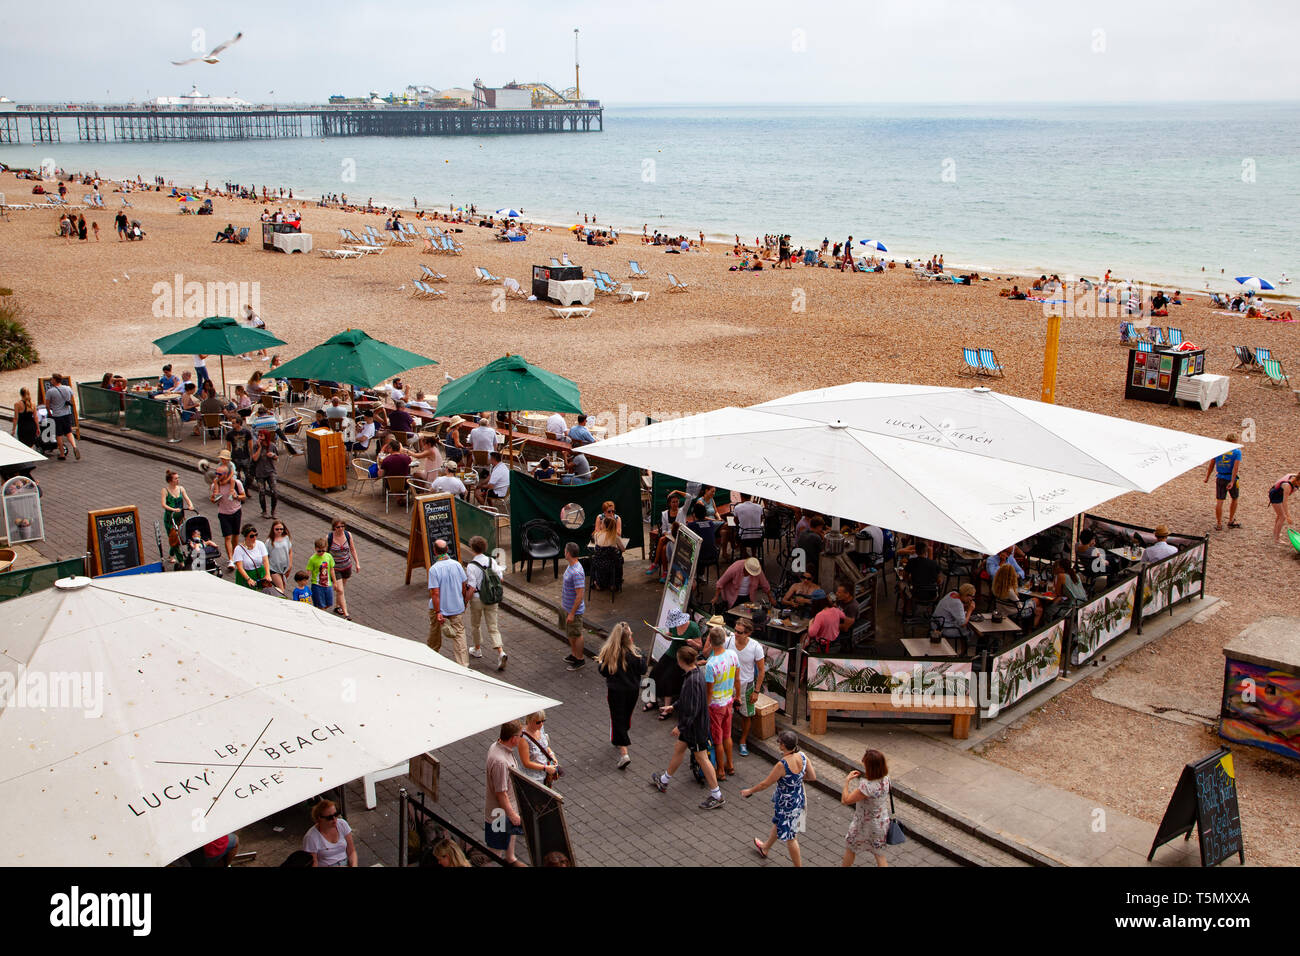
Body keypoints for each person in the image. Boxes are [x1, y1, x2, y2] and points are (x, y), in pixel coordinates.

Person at [650, 646, 725, 810]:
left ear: (680, 661)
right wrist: (673, 707)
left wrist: (681, 726)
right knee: (679, 749)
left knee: (702, 758)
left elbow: (692, 708)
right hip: (694, 727)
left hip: (695, 728)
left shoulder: (691, 680)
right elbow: (688, 700)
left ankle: (717, 795)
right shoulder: (695, 673)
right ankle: (664, 780)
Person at [742, 730, 815, 866]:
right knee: (779, 822)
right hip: (799, 799)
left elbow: (765, 784)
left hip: (786, 804)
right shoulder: (803, 756)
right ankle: (765, 848)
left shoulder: (783, 765)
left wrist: (749, 791)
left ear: (783, 746)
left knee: (791, 838)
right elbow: (812, 776)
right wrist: (796, 779)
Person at [597, 622, 645, 770]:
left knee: (617, 718)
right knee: (625, 717)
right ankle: (619, 738)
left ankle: (624, 752)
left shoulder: (610, 655)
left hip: (616, 692)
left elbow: (603, 671)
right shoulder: (636, 655)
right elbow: (643, 669)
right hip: (632, 691)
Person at [647, 607, 701, 717]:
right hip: (672, 652)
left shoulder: (693, 627)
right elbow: (671, 637)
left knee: (669, 678)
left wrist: (692, 643)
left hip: (684, 656)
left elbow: (700, 646)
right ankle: (652, 700)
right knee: (654, 673)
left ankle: (667, 708)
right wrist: (661, 633)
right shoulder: (674, 626)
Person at [842, 749, 892, 867]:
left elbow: (845, 800)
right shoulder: (886, 779)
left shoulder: (867, 786)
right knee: (879, 854)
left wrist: (847, 781)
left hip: (863, 824)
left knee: (851, 848)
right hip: (881, 822)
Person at [485, 721, 525, 865]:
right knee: (494, 851)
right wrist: (512, 815)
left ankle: (510, 858)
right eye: (521, 736)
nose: (522, 738)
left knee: (509, 836)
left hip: (506, 811)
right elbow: (501, 793)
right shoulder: (500, 762)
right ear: (513, 738)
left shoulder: (497, 747)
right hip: (499, 814)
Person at [465, 535, 507, 670]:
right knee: (493, 627)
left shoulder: (471, 566)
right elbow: (501, 580)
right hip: (491, 598)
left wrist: (465, 602)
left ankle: (477, 649)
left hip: (477, 599)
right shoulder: (492, 561)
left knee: (475, 625)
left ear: (472, 549)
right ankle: (501, 652)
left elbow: (471, 587)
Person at [703, 627, 740, 779]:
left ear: (710, 642)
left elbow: (709, 691)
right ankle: (730, 765)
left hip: (715, 705)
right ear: (724, 640)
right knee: (727, 735)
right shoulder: (732, 655)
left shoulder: (710, 664)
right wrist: (737, 696)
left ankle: (720, 770)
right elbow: (737, 678)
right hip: (728, 700)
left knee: (717, 739)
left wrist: (705, 705)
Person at [427, 537, 470, 665]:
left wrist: (438, 611)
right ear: (447, 549)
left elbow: (435, 593)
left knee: (435, 633)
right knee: (459, 634)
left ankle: (431, 656)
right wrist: (463, 602)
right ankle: (463, 664)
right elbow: (464, 586)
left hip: (440, 608)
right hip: (456, 607)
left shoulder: (434, 569)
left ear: (435, 551)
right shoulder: (457, 565)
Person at [728, 618, 766, 756]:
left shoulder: (756, 647)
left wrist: (756, 691)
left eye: (740, 632)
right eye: (735, 630)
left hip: (747, 685)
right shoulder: (728, 641)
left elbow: (761, 670)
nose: (736, 634)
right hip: (728, 684)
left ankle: (743, 741)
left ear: (748, 633)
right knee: (726, 713)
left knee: (746, 715)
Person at [209, 455, 246, 562]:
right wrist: (214, 498)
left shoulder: (236, 483)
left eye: (219, 474)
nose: (217, 476)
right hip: (223, 514)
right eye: (216, 473)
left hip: (236, 511)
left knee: (235, 536)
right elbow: (212, 499)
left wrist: (236, 496)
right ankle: (230, 559)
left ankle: (234, 555)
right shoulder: (215, 485)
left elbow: (243, 497)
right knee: (227, 537)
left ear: (225, 474)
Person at [1204, 435, 1242, 531]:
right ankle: (1230, 520)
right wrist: (1232, 481)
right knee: (1234, 498)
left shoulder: (1218, 450)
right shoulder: (1237, 452)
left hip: (1220, 477)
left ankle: (1219, 523)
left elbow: (1211, 464)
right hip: (1230, 477)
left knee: (1219, 501)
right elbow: (1235, 468)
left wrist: (1207, 477)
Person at [304, 799, 357, 867]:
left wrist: (354, 865)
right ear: (320, 818)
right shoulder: (311, 837)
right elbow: (314, 863)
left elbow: (351, 851)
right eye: (330, 818)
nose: (334, 819)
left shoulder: (342, 824)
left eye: (336, 814)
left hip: (346, 863)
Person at [327, 519, 361, 619]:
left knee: (341, 589)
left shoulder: (348, 535)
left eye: (342, 526)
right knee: (340, 590)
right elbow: (325, 554)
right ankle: (346, 614)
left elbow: (353, 549)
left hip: (346, 566)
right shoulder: (329, 537)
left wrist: (357, 563)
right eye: (338, 527)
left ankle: (337, 607)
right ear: (334, 528)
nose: (340, 529)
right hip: (335, 568)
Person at [516, 711, 560, 787]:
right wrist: (545, 768)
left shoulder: (540, 728)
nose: (541, 724)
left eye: (543, 721)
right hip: (532, 779)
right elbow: (526, 763)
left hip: (544, 775)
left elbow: (545, 746)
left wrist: (552, 755)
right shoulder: (523, 738)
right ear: (530, 720)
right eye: (538, 722)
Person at [560, 542, 587, 670]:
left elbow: (580, 595)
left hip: (573, 611)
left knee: (576, 634)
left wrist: (572, 613)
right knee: (570, 633)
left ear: (568, 553)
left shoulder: (576, 572)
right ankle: (574, 654)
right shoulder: (570, 566)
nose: (563, 552)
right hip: (567, 607)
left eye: (565, 550)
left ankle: (580, 659)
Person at [161, 469, 194, 566]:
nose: (178, 480)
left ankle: (171, 555)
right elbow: (163, 504)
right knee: (174, 539)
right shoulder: (165, 490)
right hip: (170, 519)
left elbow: (187, 498)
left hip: (180, 518)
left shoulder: (181, 488)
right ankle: (181, 561)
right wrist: (173, 509)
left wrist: (190, 505)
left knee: (178, 538)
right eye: (176, 478)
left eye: (178, 478)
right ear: (170, 480)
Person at [44, 374, 80, 461]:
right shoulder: (68, 388)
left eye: (52, 379)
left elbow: (47, 405)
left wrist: (49, 412)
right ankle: (74, 446)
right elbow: (71, 398)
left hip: (57, 415)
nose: (51, 381)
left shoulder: (50, 391)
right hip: (67, 413)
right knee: (68, 432)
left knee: (58, 435)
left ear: (55, 380)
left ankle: (62, 454)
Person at [993, 563, 1039, 628]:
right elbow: (1019, 607)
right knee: (1037, 603)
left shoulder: (996, 588)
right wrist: (1031, 603)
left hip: (1002, 610)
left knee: (1038, 608)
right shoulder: (1009, 591)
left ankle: (1030, 629)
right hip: (1013, 613)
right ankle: (1032, 630)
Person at [590, 512, 625, 593]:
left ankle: (598, 583)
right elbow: (623, 549)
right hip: (611, 564)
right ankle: (614, 583)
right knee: (619, 560)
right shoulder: (615, 537)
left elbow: (594, 545)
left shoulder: (596, 535)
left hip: (598, 564)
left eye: (602, 523)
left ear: (605, 525)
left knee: (600, 562)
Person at [250, 430, 279, 519]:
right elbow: (254, 458)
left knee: (274, 491)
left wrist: (273, 455)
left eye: (261, 436)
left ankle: (273, 511)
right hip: (259, 472)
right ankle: (264, 511)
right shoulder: (256, 446)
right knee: (262, 492)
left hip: (270, 471)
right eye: (258, 436)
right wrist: (259, 448)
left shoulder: (272, 446)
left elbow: (277, 457)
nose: (259, 438)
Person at [231, 524, 271, 590]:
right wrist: (248, 579)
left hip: (260, 573)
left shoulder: (260, 544)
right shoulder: (239, 549)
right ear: (246, 536)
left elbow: (265, 560)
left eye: (256, 535)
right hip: (246, 575)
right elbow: (240, 567)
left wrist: (267, 574)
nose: (254, 538)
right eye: (252, 536)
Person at [794, 515, 826, 586]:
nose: (821, 529)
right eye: (821, 527)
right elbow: (823, 551)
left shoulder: (803, 532)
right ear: (818, 527)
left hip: (801, 560)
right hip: (811, 564)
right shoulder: (816, 537)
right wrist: (823, 538)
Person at [1269, 474, 1300, 544]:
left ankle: (1275, 533)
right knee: (1282, 517)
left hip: (1280, 493)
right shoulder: (1287, 486)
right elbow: (1284, 502)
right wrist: (1288, 515)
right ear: (1298, 481)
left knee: (1279, 515)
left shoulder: (1295, 477)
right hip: (1275, 496)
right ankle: (1277, 539)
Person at [306, 538, 336, 610]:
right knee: (321, 606)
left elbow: (332, 569)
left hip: (328, 584)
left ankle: (318, 612)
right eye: (319, 551)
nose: (321, 552)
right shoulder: (312, 559)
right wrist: (305, 583)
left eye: (323, 550)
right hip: (317, 585)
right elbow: (308, 572)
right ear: (315, 548)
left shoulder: (328, 556)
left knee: (329, 603)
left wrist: (334, 582)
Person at [266, 519, 293, 593]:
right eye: (277, 529)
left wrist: (290, 564)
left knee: (282, 586)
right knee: (281, 590)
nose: (279, 531)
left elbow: (290, 551)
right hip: (274, 569)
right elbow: (266, 556)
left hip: (285, 568)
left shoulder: (286, 538)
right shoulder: (269, 541)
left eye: (281, 529)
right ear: (273, 529)